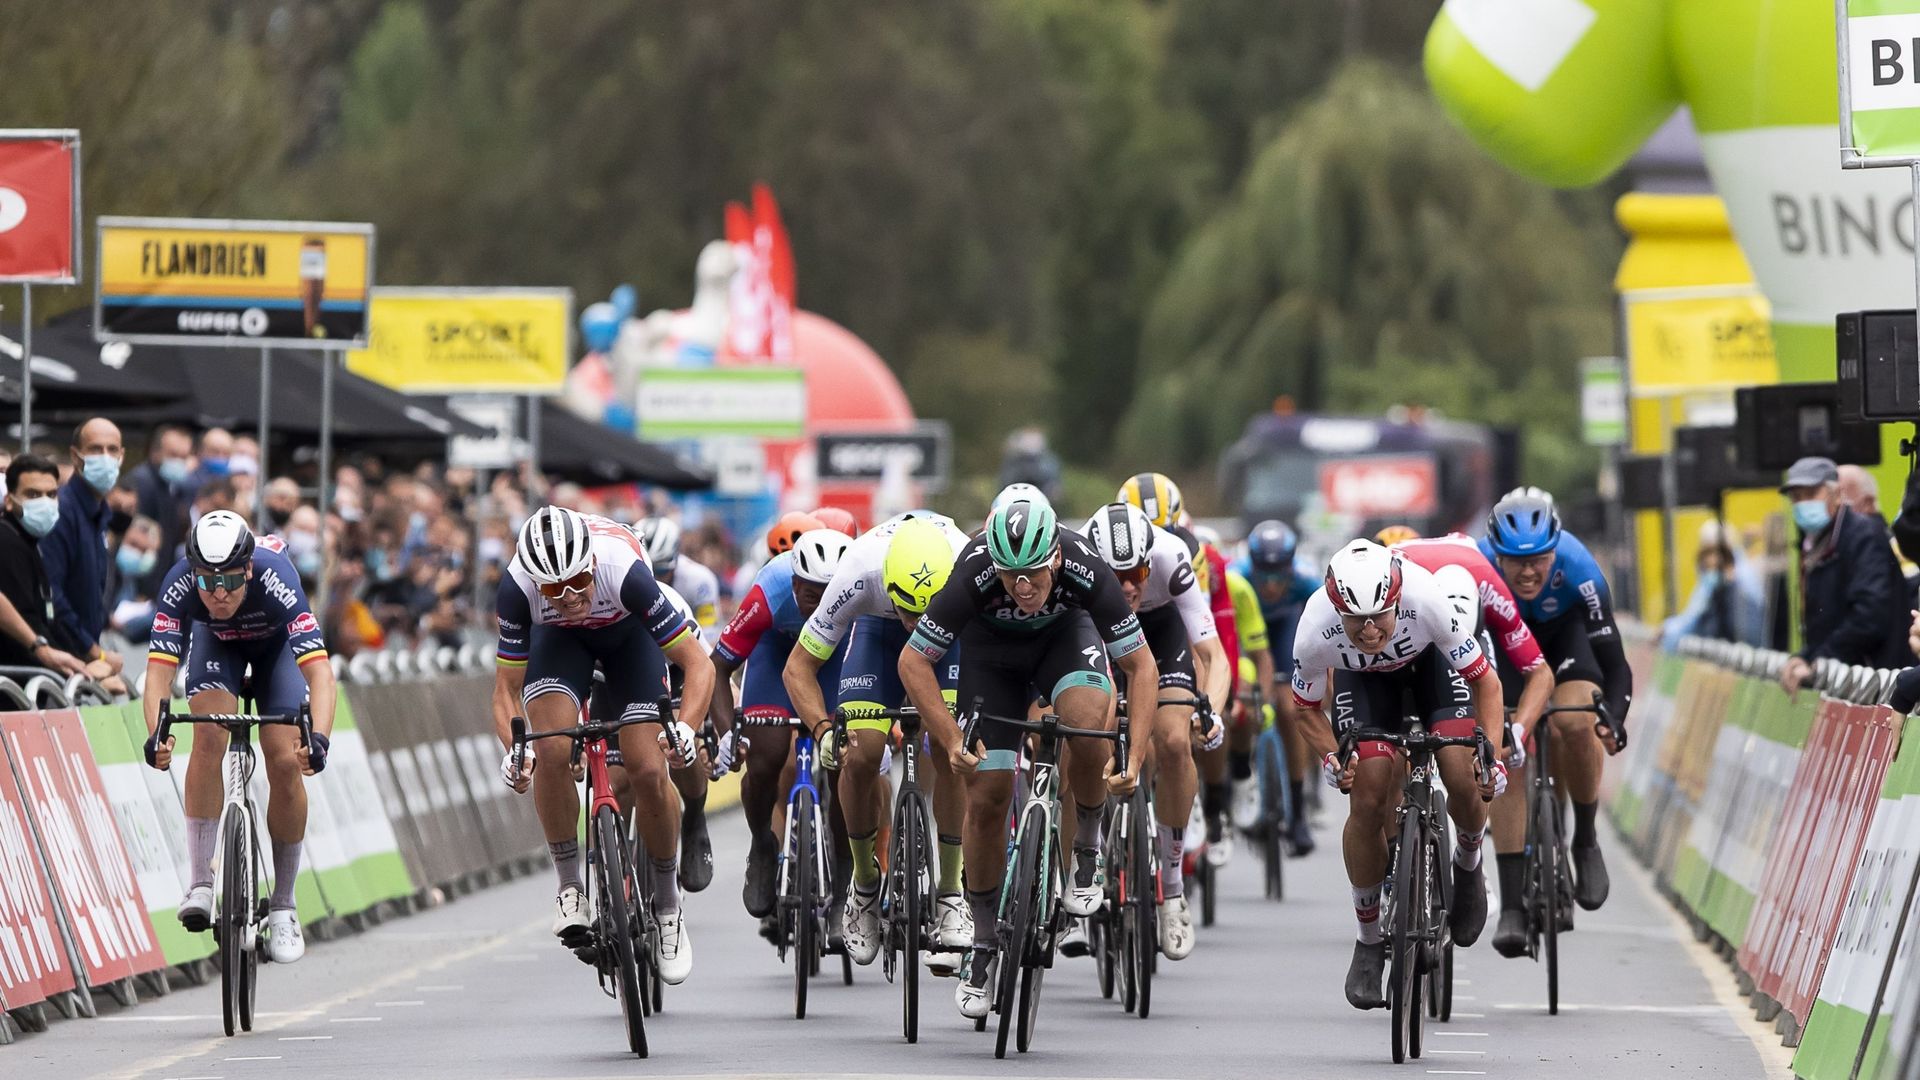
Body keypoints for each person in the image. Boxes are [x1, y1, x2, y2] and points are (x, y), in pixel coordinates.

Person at [898, 500, 1159, 1020]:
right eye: (1010, 575)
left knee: (1088, 726)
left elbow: (1141, 665)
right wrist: (950, 739)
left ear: (1056, 557)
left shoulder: (1087, 565)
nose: (1021, 586)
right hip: (990, 659)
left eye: (1033, 573)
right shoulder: (973, 570)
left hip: (1065, 642)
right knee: (989, 795)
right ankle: (986, 940)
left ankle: (1087, 843)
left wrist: (1132, 761)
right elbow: (913, 661)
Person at [490, 507, 714, 986]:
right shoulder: (517, 588)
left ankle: (668, 910)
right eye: (554, 589)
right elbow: (505, 690)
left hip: (629, 636)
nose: (569, 597)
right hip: (559, 644)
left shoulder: (625, 572)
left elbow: (700, 666)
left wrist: (688, 731)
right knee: (550, 750)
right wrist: (514, 749)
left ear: (591, 564)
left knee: (648, 770)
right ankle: (570, 887)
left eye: (577, 582)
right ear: (535, 582)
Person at [1288, 540, 1506, 1009]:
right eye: (1355, 621)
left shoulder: (1426, 600)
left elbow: (1486, 680)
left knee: (1460, 768)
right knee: (1368, 792)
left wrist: (1493, 755)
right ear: (1335, 608)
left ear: (1397, 598)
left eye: (1379, 617)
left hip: (1433, 672)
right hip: (1365, 687)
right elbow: (1304, 709)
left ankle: (1468, 864)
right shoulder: (1314, 628)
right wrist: (1331, 757)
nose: (1368, 631)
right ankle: (1369, 939)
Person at [139, 511, 338, 963]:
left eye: (229, 579)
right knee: (208, 735)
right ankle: (200, 882)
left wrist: (319, 738)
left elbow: (322, 676)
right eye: (207, 583)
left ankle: (284, 904)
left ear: (248, 568)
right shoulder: (179, 584)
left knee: (285, 759)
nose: (219, 592)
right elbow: (156, 676)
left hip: (277, 654)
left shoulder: (277, 577)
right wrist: (156, 735)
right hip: (217, 647)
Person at [786, 513, 972, 973]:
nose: (916, 626)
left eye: (925, 613)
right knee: (862, 752)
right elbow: (798, 668)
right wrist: (823, 731)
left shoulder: (969, 567)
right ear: (888, 585)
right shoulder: (860, 572)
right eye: (909, 611)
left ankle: (951, 891)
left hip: (953, 638)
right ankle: (865, 884)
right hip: (875, 632)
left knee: (952, 750)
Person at [1477, 487, 1631, 951]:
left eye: (1539, 560)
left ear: (1556, 549)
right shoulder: (1477, 572)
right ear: (1495, 554)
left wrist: (1615, 717)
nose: (1527, 572)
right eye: (1515, 561)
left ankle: (1585, 838)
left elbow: (1615, 662)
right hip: (1503, 648)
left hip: (1565, 642)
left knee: (1575, 722)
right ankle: (1510, 907)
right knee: (1507, 752)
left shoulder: (1581, 569)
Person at [1081, 502, 1228, 960]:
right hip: (1097, 631)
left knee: (1173, 739)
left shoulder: (1171, 558)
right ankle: (1080, 857)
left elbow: (1212, 655)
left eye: (1138, 572)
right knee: (1086, 732)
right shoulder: (1079, 559)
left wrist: (1212, 712)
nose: (1128, 585)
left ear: (1151, 560)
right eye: (1117, 574)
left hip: (1160, 634)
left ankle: (1170, 881)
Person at [705, 513, 849, 934]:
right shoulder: (767, 591)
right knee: (764, 756)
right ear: (793, 582)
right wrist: (729, 733)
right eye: (810, 594)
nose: (820, 603)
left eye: (829, 595)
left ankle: (843, 888)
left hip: (833, 659)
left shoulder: (854, 599)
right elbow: (718, 668)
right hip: (777, 653)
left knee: (848, 768)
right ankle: (763, 845)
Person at [634, 514, 725, 892]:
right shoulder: (628, 585)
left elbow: (713, 655)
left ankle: (694, 813)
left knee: (682, 743)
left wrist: (708, 724)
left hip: (684, 655)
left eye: (666, 572)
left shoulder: (697, 582)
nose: (660, 581)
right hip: (636, 656)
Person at [1777, 457, 1911, 690]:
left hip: (1877, 682)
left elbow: (1870, 615)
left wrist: (1822, 660)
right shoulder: (1814, 543)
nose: (1802, 504)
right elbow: (1826, 620)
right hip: (1847, 679)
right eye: (1796, 497)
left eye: (1810, 494)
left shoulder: (1862, 535)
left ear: (1837, 495)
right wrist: (1806, 656)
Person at [1234, 519, 1321, 855]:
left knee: (1289, 710)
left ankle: (1298, 813)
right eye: (1263, 575)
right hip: (1248, 634)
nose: (1270, 585)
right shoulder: (1237, 576)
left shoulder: (1305, 580)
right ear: (1252, 565)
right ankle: (1236, 781)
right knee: (1239, 701)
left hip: (1286, 631)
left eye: (1278, 575)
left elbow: (1323, 629)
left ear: (1291, 566)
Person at [39, 418, 128, 691]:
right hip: (56, 665)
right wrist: (93, 652)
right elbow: (51, 594)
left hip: (81, 663)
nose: (106, 458)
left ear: (122, 456)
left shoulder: (99, 515)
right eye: (96, 449)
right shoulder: (62, 512)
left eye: (112, 450)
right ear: (76, 457)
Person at [0, 455, 90, 678]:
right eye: (32, 494)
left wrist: (82, 662)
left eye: (51, 494)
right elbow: (26, 619)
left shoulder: (29, 544)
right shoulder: (6, 542)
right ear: (9, 500)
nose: (44, 502)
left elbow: (49, 619)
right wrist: (73, 666)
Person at [1659, 519, 1767, 649]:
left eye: (1709, 551)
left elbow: (1696, 615)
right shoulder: (1738, 570)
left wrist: (1668, 630)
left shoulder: (1734, 578)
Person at [129, 424, 195, 594]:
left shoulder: (172, 487)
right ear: (155, 452)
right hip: (139, 583)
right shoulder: (142, 483)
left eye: (184, 457)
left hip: (160, 578)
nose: (179, 462)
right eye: (173, 455)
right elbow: (137, 539)